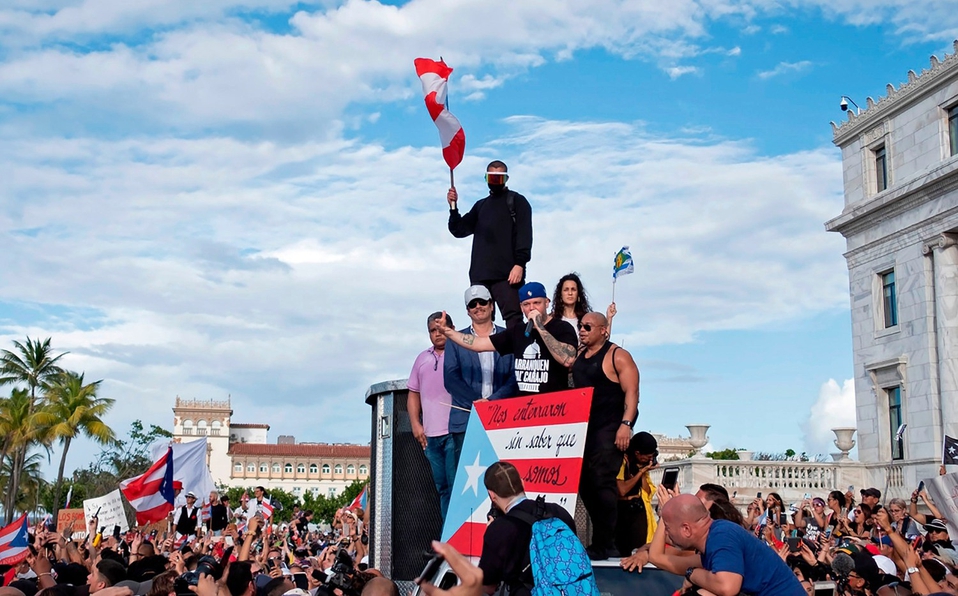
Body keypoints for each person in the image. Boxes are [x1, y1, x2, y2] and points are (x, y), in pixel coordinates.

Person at [571, 311, 639, 560]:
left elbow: (632, 392)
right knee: (584, 484)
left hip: (610, 428)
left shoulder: (618, 356)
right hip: (584, 430)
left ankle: (606, 544)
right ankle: (601, 540)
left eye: (588, 326)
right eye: (580, 325)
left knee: (602, 482)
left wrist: (626, 424)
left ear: (603, 330)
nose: (582, 329)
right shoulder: (580, 355)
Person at [438, 282, 577, 396]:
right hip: (525, 409)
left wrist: (539, 327)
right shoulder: (517, 331)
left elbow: (568, 359)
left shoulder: (562, 328)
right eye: (526, 305)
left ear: (546, 303)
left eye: (537, 303)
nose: (532, 308)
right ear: (521, 307)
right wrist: (448, 332)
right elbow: (478, 344)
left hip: (555, 407)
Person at [655, 494, 806, 596]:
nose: (667, 534)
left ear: (686, 529)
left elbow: (727, 586)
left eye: (668, 528)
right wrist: (668, 511)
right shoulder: (715, 537)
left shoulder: (721, 537)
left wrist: (692, 574)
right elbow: (658, 558)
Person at [447, 161, 533, 328]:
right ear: (486, 178)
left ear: (506, 179)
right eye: (491, 177)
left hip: (508, 276)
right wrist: (453, 207)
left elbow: (525, 235)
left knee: (514, 320)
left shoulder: (517, 201)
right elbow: (459, 229)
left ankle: (515, 354)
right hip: (480, 276)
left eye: (499, 178)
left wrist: (519, 264)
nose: (494, 182)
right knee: (481, 322)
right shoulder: (481, 206)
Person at [444, 285, 519, 462]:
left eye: (482, 302)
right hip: (466, 420)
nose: (478, 306)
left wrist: (492, 402)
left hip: (503, 418)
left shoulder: (508, 337)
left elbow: (516, 375)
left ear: (492, 305)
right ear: (468, 311)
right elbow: (450, 378)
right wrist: (477, 403)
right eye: (472, 304)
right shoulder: (455, 340)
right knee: (465, 483)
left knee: (505, 478)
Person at [477, 462, 575, 596]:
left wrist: (492, 533)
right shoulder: (559, 512)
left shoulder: (499, 530)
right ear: (523, 484)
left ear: (492, 495)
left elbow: (488, 586)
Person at [408, 312, 457, 520]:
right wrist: (415, 424)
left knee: (457, 488)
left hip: (455, 432)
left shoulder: (461, 352)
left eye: (441, 328)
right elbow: (413, 394)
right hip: (430, 436)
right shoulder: (421, 358)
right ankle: (448, 538)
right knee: (443, 489)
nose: (437, 334)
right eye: (432, 330)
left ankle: (458, 539)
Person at [615, 431, 658, 557]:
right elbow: (622, 490)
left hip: (639, 511)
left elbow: (647, 492)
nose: (649, 460)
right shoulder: (623, 461)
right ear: (637, 453)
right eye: (647, 457)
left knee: (641, 548)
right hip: (624, 513)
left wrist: (643, 472)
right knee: (625, 552)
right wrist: (640, 472)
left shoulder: (641, 466)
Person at [550, 273, 617, 333]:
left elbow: (601, 339)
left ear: (578, 294)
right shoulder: (551, 319)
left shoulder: (586, 319)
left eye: (573, 289)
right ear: (560, 294)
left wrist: (609, 317)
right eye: (566, 290)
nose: (570, 293)